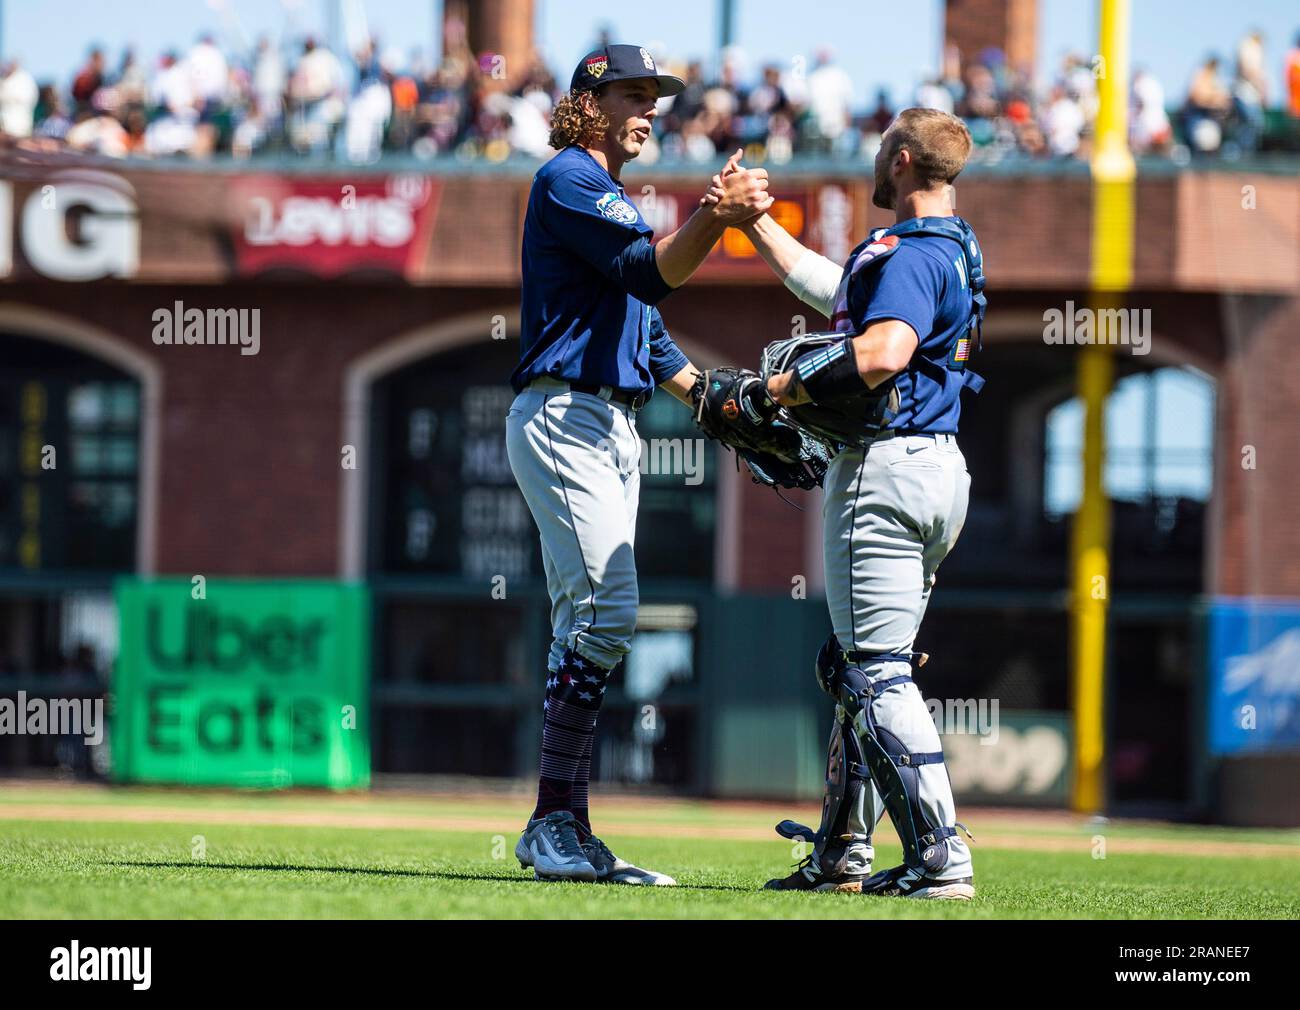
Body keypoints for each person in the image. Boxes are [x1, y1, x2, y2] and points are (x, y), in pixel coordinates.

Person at [507, 43, 770, 884]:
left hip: (609, 421)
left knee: (581, 627)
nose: (650, 107)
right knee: (610, 612)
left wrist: (712, 401)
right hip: (565, 413)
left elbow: (644, 332)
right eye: (633, 93)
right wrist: (713, 219)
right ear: (590, 102)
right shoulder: (569, 178)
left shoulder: (607, 192)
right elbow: (646, 275)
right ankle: (552, 820)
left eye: (655, 95)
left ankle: (566, 828)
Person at [707, 107, 985, 898]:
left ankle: (939, 855)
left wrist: (776, 392)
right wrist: (757, 225)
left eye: (879, 147)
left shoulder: (903, 249)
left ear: (899, 159)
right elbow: (839, 289)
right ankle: (841, 854)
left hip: (885, 472)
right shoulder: (951, 248)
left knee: (873, 675)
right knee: (860, 666)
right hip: (939, 470)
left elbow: (881, 350)